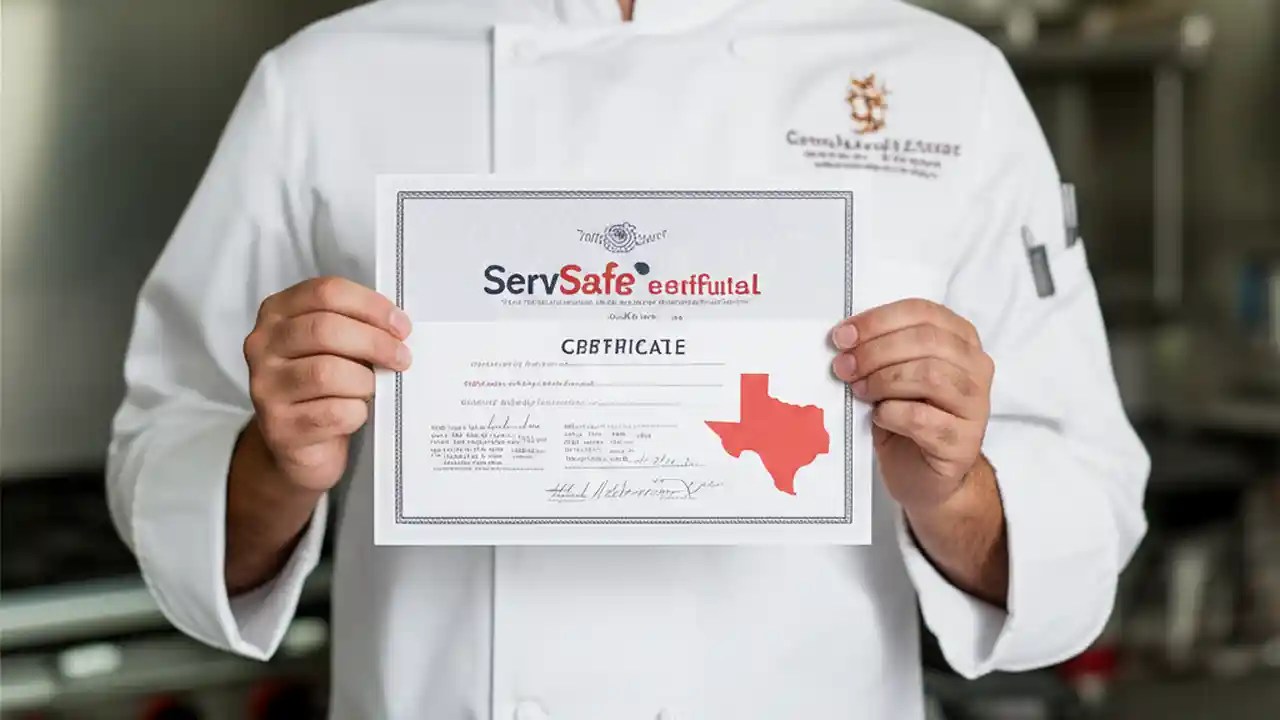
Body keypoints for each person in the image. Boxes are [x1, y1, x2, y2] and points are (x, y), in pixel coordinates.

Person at [107, 0, 1150, 718]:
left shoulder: (943, 85)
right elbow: (171, 459)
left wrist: (953, 494)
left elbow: (1082, 507)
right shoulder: (329, 82)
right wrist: (271, 462)